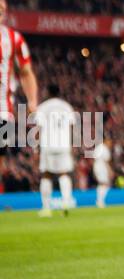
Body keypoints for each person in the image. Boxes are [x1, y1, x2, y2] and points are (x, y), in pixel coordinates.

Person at [0, 0, 39, 192]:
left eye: (3, 0)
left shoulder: (14, 39)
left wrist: (32, 101)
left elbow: (26, 73)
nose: (1, 5)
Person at [35, 83, 75, 217]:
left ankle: (46, 208)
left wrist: (36, 146)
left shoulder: (43, 107)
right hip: (64, 144)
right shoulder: (67, 107)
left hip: (48, 144)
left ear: (48, 92)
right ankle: (66, 202)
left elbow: (38, 127)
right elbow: (72, 126)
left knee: (47, 174)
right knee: (64, 174)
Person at [92, 134, 113, 208]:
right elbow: (106, 161)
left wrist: (94, 170)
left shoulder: (98, 148)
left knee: (103, 184)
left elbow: (94, 159)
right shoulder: (105, 149)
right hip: (101, 167)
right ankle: (99, 201)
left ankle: (100, 201)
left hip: (97, 166)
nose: (110, 143)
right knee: (104, 184)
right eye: (109, 142)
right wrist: (110, 171)